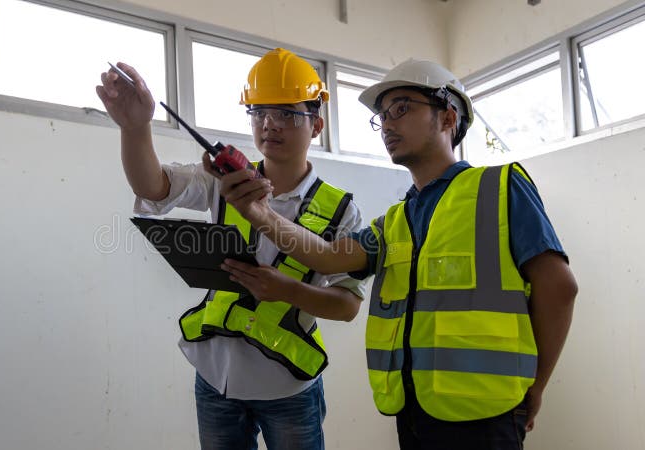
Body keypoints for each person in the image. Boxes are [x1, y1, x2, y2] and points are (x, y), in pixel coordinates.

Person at [213, 59, 578, 449]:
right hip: (414, 408)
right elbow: (329, 257)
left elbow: (559, 288)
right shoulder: (396, 220)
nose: (387, 124)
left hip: (486, 415)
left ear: (448, 117)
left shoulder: (499, 187)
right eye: (382, 116)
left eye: (402, 109)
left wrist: (537, 385)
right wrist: (258, 212)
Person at [95, 48, 366, 450]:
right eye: (259, 112)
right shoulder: (223, 179)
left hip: (288, 386)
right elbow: (152, 186)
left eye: (287, 113)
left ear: (317, 125)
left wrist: (287, 290)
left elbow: (347, 306)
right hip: (215, 378)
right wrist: (135, 129)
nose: (269, 124)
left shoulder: (342, 211)